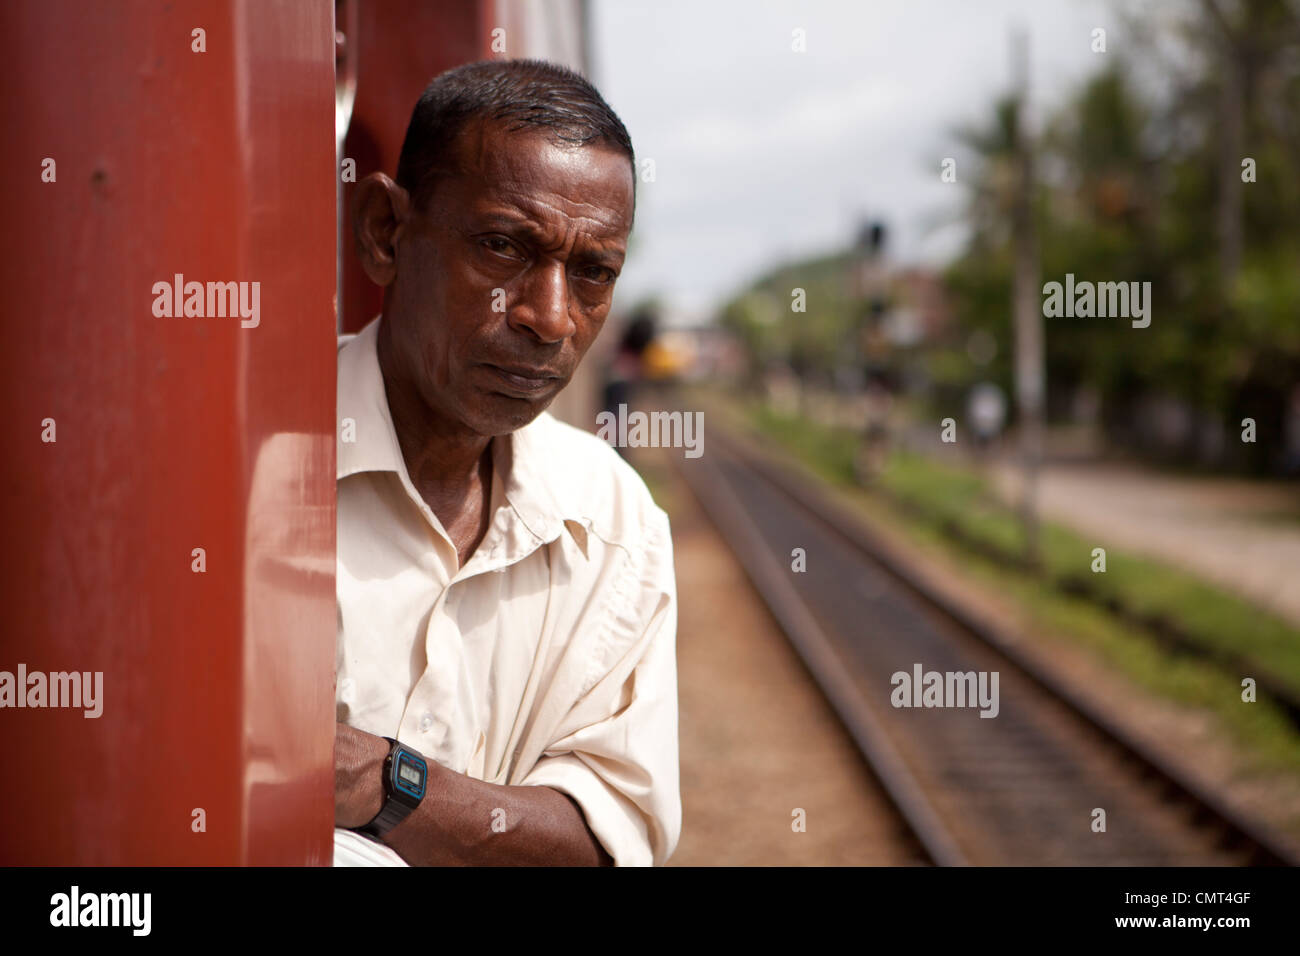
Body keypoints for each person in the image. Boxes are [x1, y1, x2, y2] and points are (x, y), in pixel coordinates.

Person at [332, 59, 679, 866]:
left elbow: (606, 838)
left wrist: (385, 782)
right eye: (502, 247)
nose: (550, 318)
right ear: (385, 232)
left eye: (594, 273)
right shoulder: (245, 477)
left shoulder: (614, 522)